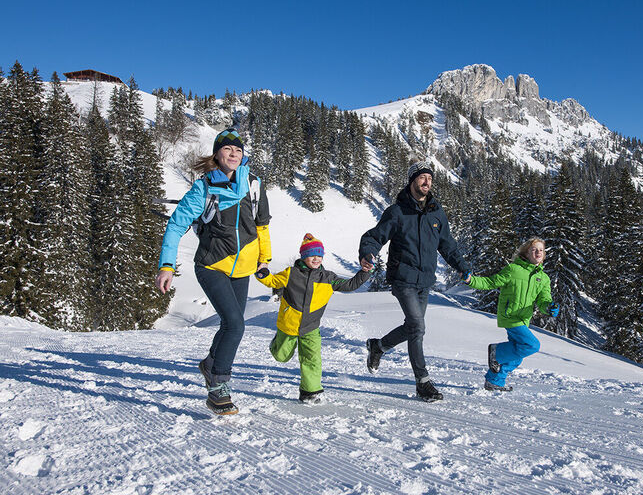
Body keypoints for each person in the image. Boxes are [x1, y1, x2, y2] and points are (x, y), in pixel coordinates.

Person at [155, 129, 272, 415]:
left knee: (230, 324)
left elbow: (262, 226)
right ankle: (218, 386)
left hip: (242, 268)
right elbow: (175, 225)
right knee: (236, 324)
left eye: (238, 150)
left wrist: (264, 260)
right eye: (227, 149)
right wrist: (166, 265)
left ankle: (209, 364)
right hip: (211, 265)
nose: (234, 154)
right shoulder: (203, 189)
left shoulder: (254, 185)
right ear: (217, 154)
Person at [359, 160, 470, 402]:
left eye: (430, 178)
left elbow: (447, 245)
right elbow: (374, 237)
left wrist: (462, 267)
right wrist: (367, 254)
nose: (427, 182)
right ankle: (422, 382)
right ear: (412, 181)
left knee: (412, 327)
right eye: (422, 178)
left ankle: (379, 346)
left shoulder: (436, 213)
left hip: (425, 281)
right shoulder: (397, 212)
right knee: (418, 328)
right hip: (403, 278)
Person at [257, 233, 372, 404]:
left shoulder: (328, 278)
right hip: (288, 324)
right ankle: (276, 344)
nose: (316, 259)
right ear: (304, 256)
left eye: (319, 255)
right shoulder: (291, 273)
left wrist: (364, 272)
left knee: (312, 358)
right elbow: (273, 281)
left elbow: (349, 285)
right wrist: (262, 273)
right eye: (312, 255)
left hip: (311, 326)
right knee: (282, 356)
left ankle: (309, 391)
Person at [465, 237, 559, 392]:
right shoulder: (513, 270)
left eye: (541, 250)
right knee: (532, 345)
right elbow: (490, 282)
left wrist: (549, 307)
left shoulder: (543, 278)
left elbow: (544, 300)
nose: (538, 252)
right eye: (534, 249)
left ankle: (494, 381)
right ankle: (496, 352)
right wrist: (470, 280)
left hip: (524, 319)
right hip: (510, 316)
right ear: (526, 252)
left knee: (516, 357)